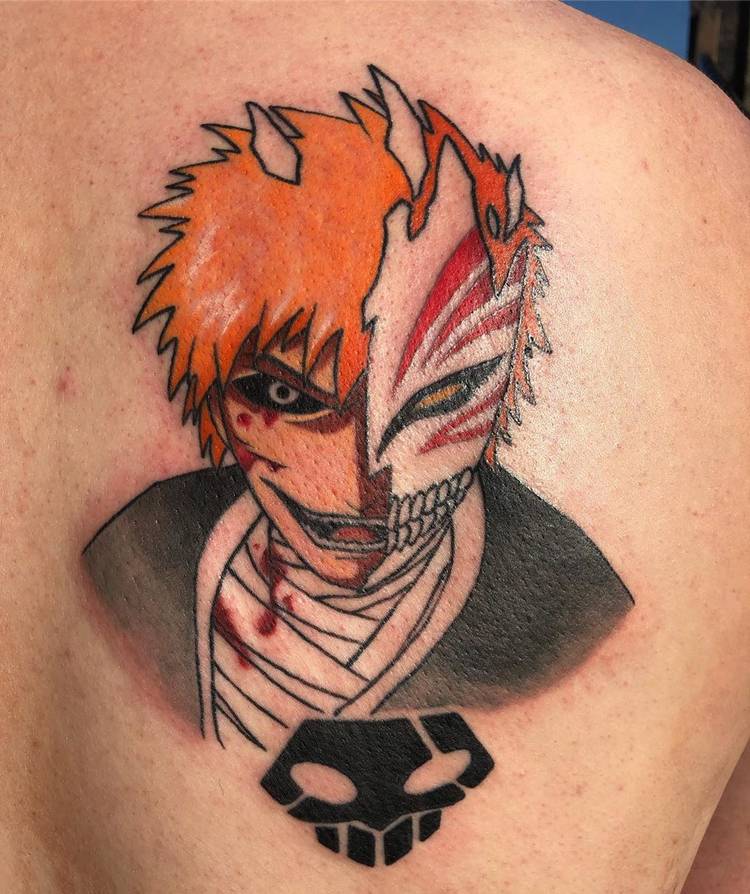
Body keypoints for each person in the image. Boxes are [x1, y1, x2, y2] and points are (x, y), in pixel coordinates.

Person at [1, 2, 748, 890]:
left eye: (442, 396)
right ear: (214, 384)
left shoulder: (573, 605)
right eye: (288, 396)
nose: (367, 488)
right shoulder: (702, 189)